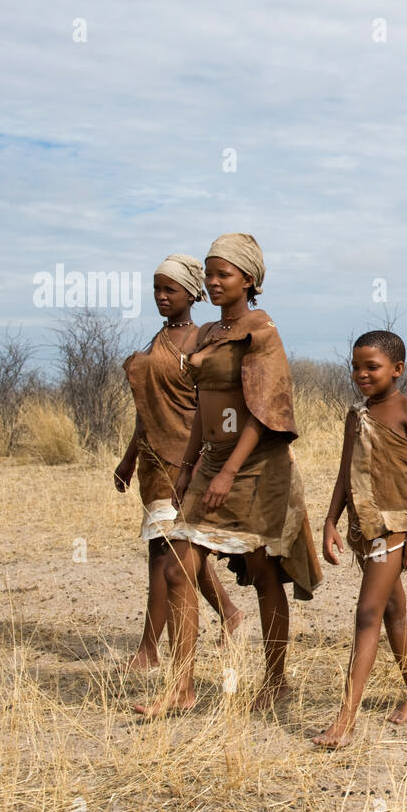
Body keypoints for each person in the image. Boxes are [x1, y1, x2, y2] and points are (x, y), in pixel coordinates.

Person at [135, 233, 322, 717]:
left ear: (250, 280)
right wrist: (192, 466)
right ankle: (181, 688)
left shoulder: (261, 330)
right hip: (212, 463)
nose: (214, 282)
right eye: (210, 274)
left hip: (256, 464)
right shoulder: (209, 335)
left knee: (263, 573)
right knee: (179, 567)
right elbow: (203, 408)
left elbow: (265, 410)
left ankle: (276, 680)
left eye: (224, 274)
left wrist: (229, 471)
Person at [115, 255, 242, 671]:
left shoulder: (201, 340)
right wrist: (129, 459)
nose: (161, 296)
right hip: (153, 462)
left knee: (168, 554)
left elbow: (213, 404)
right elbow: (146, 410)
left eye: (170, 289)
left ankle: (150, 649)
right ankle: (228, 614)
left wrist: (209, 461)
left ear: (193, 293)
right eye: (156, 288)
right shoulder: (158, 341)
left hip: (185, 460)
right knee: (175, 552)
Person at [318, 330, 407, 748]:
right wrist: (331, 521)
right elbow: (344, 473)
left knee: (367, 614)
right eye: (355, 366)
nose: (361, 374)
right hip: (363, 528)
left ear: (398, 370)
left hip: (395, 528)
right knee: (392, 611)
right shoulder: (356, 416)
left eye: (372, 367)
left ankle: (345, 720)